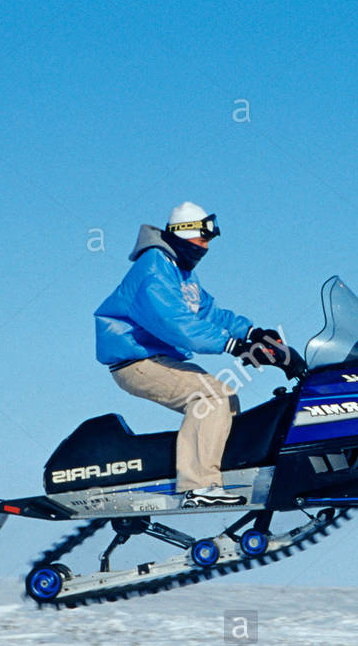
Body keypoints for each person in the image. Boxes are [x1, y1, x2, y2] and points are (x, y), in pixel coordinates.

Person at [94, 202, 285, 508]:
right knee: (211, 397)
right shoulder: (153, 269)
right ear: (185, 234)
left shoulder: (180, 271)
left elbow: (208, 313)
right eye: (203, 239)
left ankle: (224, 476)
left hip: (156, 359)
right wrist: (233, 346)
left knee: (226, 397)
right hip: (136, 361)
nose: (206, 247)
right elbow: (177, 324)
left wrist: (252, 333)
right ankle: (198, 486)